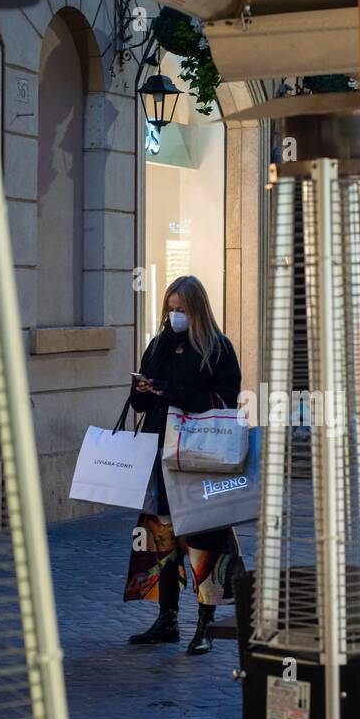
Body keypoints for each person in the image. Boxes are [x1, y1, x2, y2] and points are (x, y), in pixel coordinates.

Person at [123, 276, 244, 655]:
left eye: (182, 310)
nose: (175, 316)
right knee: (162, 537)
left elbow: (224, 400)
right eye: (171, 309)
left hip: (199, 458)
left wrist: (171, 392)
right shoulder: (158, 344)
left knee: (204, 539)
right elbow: (141, 405)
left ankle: (206, 624)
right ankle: (167, 618)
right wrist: (142, 391)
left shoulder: (217, 348)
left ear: (197, 310)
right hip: (160, 453)